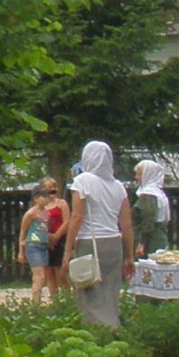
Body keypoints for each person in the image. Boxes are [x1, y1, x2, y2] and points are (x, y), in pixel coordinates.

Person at [66, 141, 132, 329]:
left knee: (89, 294)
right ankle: (114, 330)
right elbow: (126, 225)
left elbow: (77, 216)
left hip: (89, 242)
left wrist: (67, 250)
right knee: (110, 294)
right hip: (114, 244)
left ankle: (97, 334)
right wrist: (130, 256)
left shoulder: (82, 181)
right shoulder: (118, 186)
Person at [18, 184, 59, 299]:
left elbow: (43, 229)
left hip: (43, 246)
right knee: (39, 275)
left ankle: (37, 300)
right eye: (44, 196)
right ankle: (35, 304)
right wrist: (21, 251)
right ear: (36, 198)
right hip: (33, 245)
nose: (47, 199)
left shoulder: (47, 213)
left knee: (41, 276)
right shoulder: (31, 213)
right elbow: (23, 231)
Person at [133, 160, 172, 256]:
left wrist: (141, 243)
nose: (136, 177)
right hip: (159, 237)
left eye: (139, 174)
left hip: (151, 241)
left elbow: (148, 220)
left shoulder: (149, 194)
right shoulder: (158, 193)